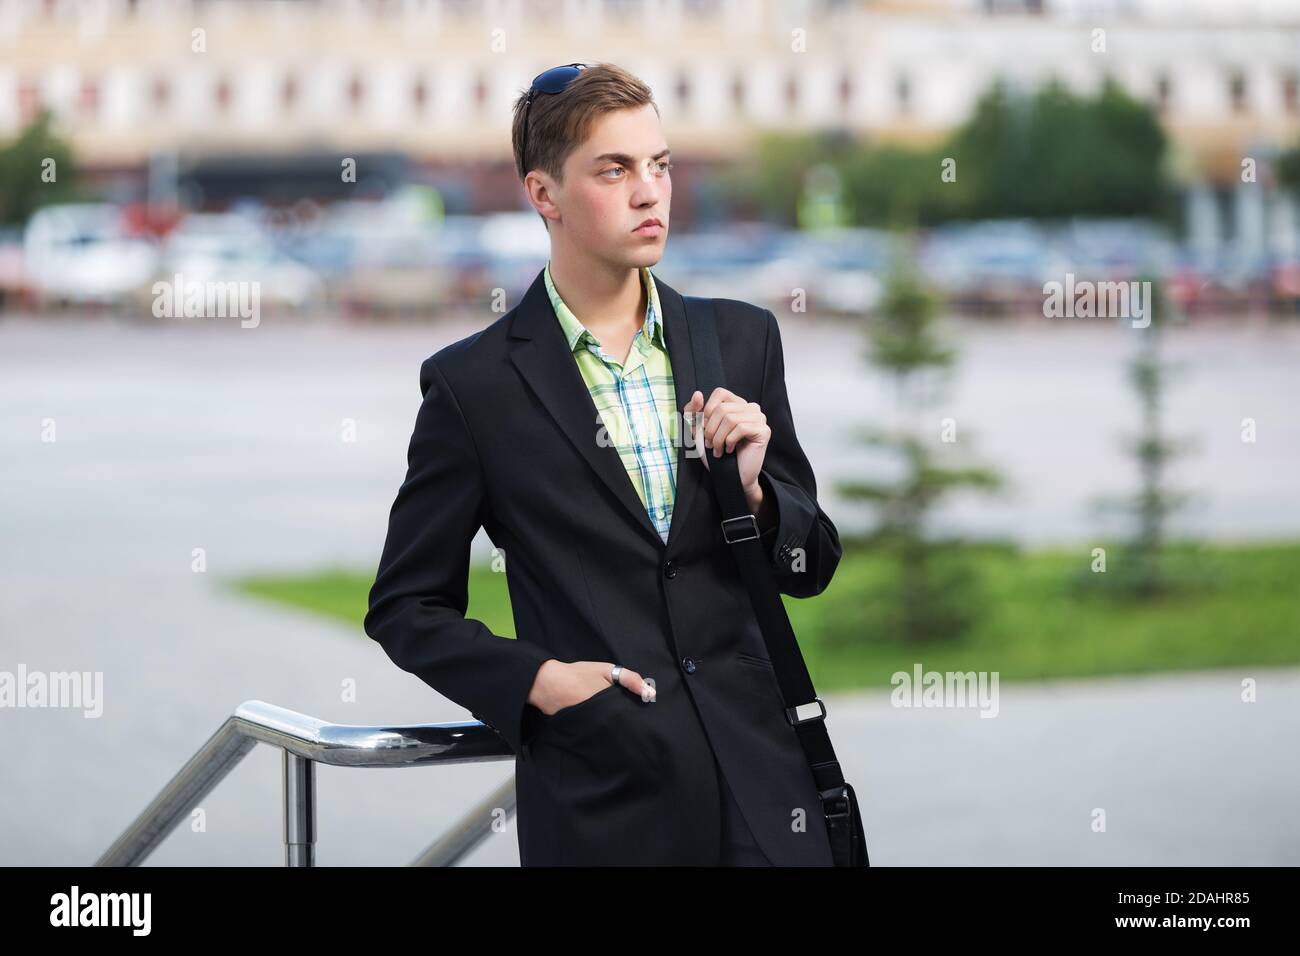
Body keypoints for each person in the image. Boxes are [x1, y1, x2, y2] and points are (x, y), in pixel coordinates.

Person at [364, 61, 843, 866]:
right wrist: (536, 681)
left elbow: (810, 565)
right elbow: (406, 606)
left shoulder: (741, 339)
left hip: (770, 799)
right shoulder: (474, 385)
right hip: (605, 809)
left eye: (658, 165)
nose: (650, 193)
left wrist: (759, 496)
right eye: (614, 170)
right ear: (543, 194)